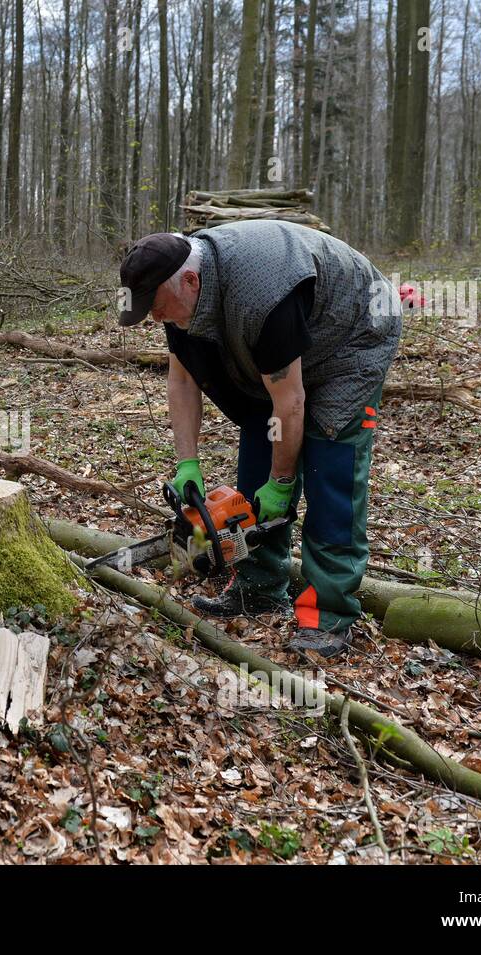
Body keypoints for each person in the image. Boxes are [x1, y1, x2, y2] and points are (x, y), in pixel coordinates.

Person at [118, 220, 403, 657]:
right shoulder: (180, 296)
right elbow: (182, 380)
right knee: (258, 448)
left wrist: (284, 483)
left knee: (331, 466)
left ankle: (326, 614)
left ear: (191, 281)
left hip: (352, 334)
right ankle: (259, 586)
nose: (155, 317)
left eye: (155, 306)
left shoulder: (263, 295)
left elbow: (289, 403)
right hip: (274, 353)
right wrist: (187, 464)